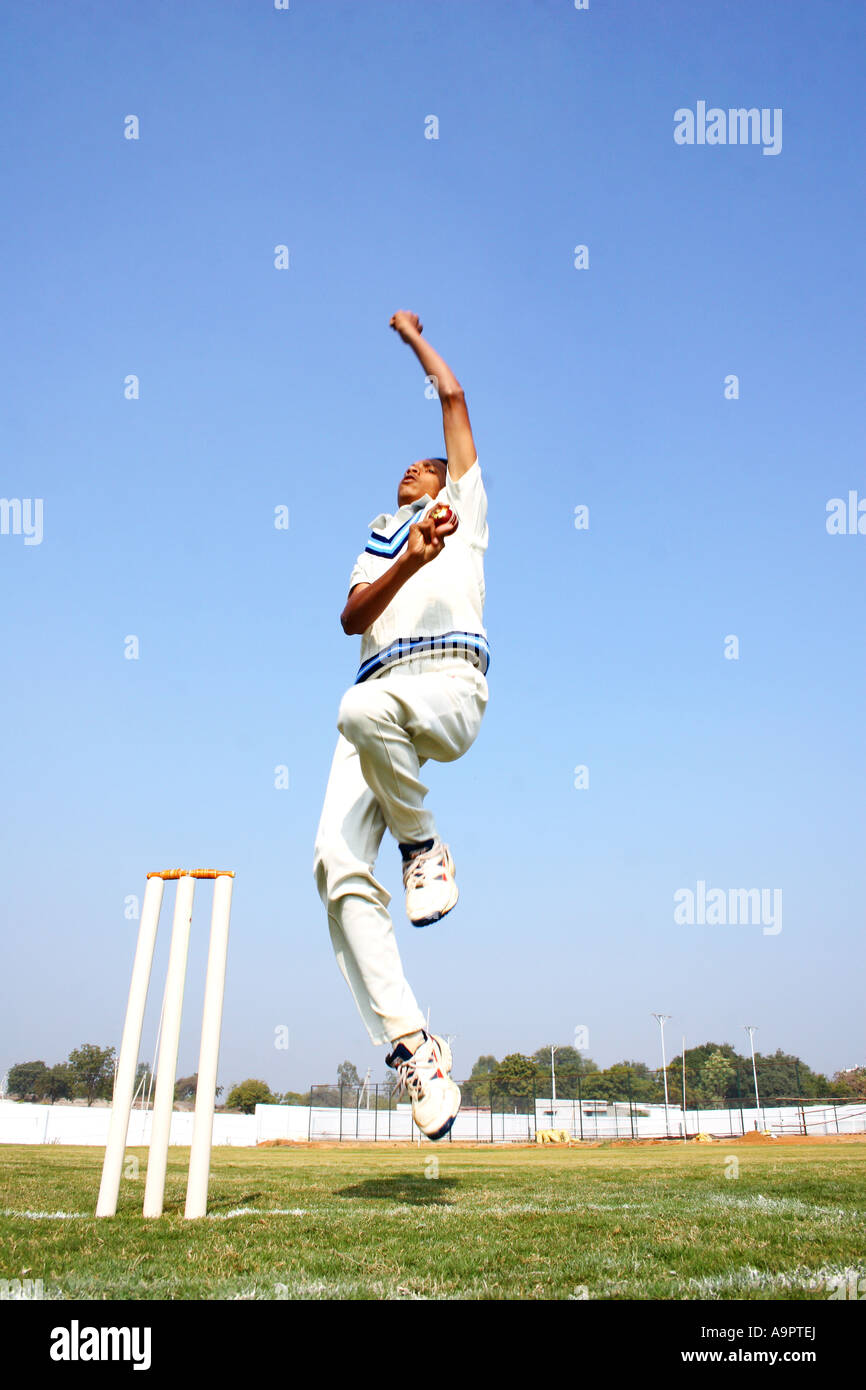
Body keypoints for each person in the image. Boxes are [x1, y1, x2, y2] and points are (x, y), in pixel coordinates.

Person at [312, 311, 490, 1140]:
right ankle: (415, 1052)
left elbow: (452, 394)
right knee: (334, 867)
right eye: (406, 470)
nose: (411, 470)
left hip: (448, 688)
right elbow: (351, 620)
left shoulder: (464, 508)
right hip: (379, 705)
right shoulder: (380, 542)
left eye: (423, 465)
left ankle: (423, 846)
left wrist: (413, 336)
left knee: (357, 708)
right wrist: (407, 557)